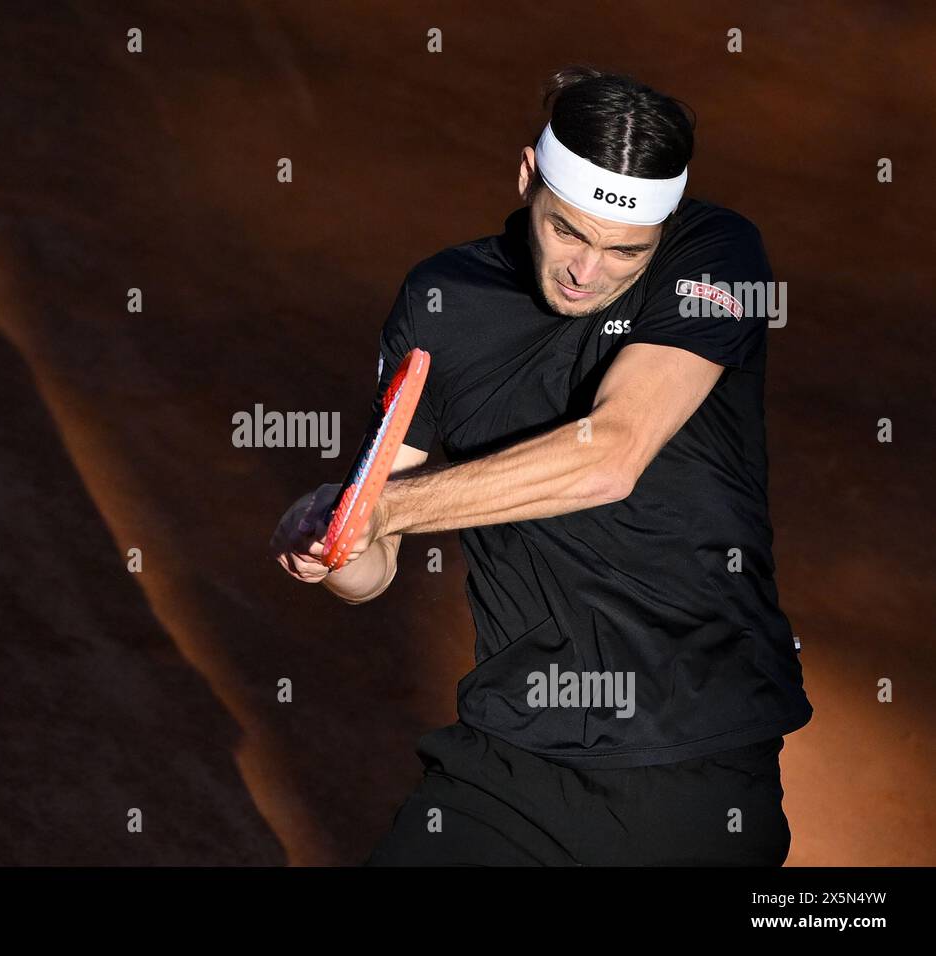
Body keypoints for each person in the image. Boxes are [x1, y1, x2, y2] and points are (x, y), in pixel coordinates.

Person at [270, 67, 812, 865]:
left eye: (625, 249)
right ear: (528, 177)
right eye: (567, 231)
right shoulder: (441, 300)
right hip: (509, 755)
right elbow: (371, 567)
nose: (586, 271)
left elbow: (613, 453)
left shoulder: (715, 255)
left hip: (695, 764)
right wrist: (333, 538)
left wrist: (384, 507)